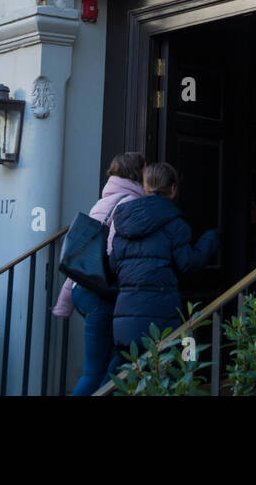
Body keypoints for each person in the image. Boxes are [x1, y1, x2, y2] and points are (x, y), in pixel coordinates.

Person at [52, 152, 145, 395]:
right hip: (101, 296)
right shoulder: (129, 203)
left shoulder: (104, 201)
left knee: (101, 367)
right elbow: (112, 249)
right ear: (138, 174)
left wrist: (65, 301)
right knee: (101, 370)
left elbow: (83, 255)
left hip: (83, 292)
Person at [110, 161, 219, 355]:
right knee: (187, 355)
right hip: (162, 322)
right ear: (173, 189)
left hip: (124, 322)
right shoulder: (175, 224)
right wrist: (210, 239)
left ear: (144, 187)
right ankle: (190, 380)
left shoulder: (124, 221)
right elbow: (188, 264)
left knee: (129, 374)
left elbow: (114, 266)